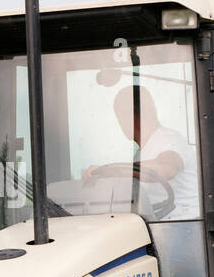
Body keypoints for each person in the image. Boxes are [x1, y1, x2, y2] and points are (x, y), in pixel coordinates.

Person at [84, 85, 199, 220]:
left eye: (122, 115)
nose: (121, 122)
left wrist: (110, 171)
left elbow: (167, 167)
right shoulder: (144, 151)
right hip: (159, 228)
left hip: (184, 228)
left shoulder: (169, 139)